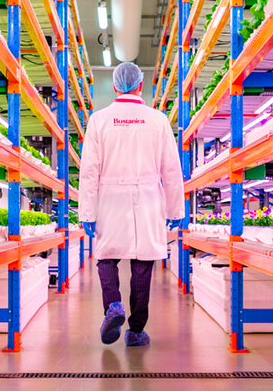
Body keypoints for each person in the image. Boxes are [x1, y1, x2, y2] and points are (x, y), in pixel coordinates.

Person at [78, 62, 184, 347]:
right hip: (148, 198)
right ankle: (136, 331)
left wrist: (86, 212)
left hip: (109, 199)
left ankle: (114, 305)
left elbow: (89, 170)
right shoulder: (158, 120)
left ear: (115, 86)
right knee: (143, 263)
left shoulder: (99, 120)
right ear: (140, 86)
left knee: (106, 256)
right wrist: (176, 210)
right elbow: (171, 169)